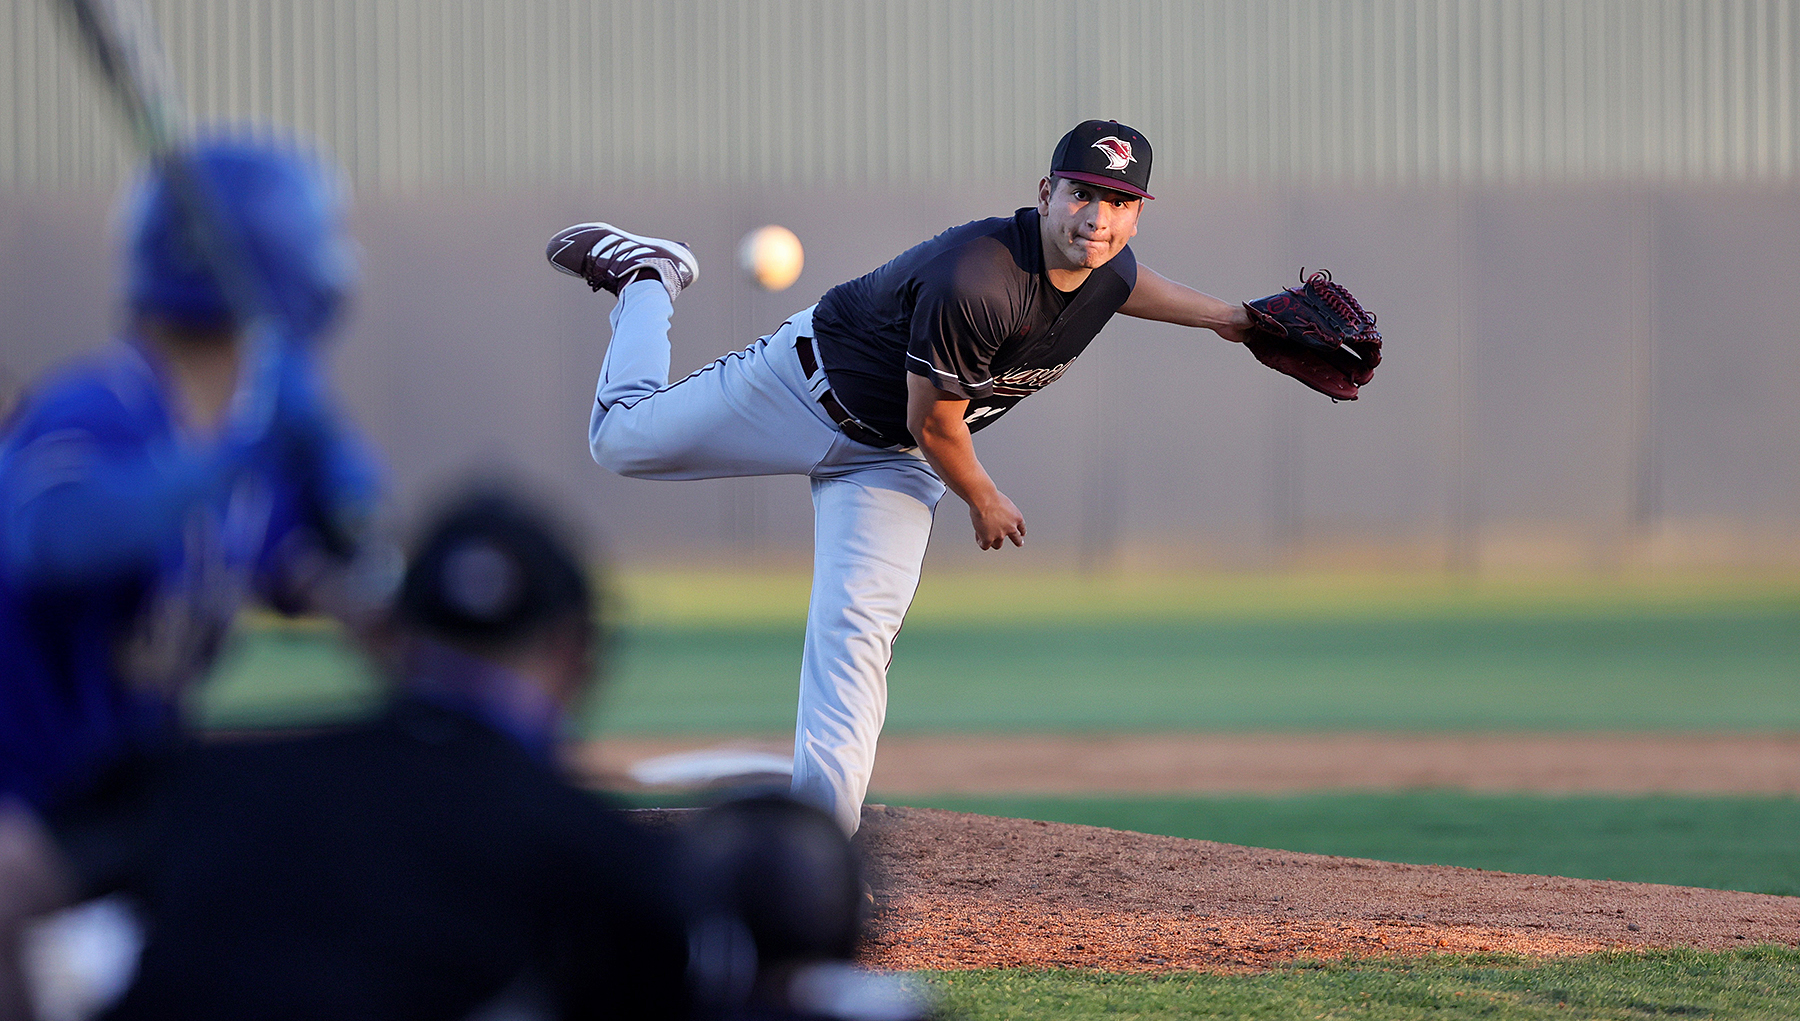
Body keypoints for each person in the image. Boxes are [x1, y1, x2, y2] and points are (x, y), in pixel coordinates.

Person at [547, 120, 1253, 835]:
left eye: (1119, 201)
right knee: (621, 442)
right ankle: (646, 278)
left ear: (1138, 213)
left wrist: (1236, 319)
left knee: (855, 633)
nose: (1097, 218)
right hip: (803, 390)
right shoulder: (975, 280)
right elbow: (936, 424)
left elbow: (1130, 284)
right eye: (1081, 195)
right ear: (1047, 193)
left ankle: (822, 847)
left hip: (890, 463)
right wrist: (984, 496)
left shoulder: (1107, 264)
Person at [82, 489, 691, 1020]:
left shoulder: (209, 788)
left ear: (386, 638)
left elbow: (20, 872)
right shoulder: (603, 859)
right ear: (579, 656)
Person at [0, 133, 380, 818]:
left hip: (104, 810)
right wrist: (239, 455)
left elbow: (369, 613)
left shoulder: (246, 449)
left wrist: (354, 521)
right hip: (21, 809)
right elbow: (47, 534)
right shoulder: (99, 407)